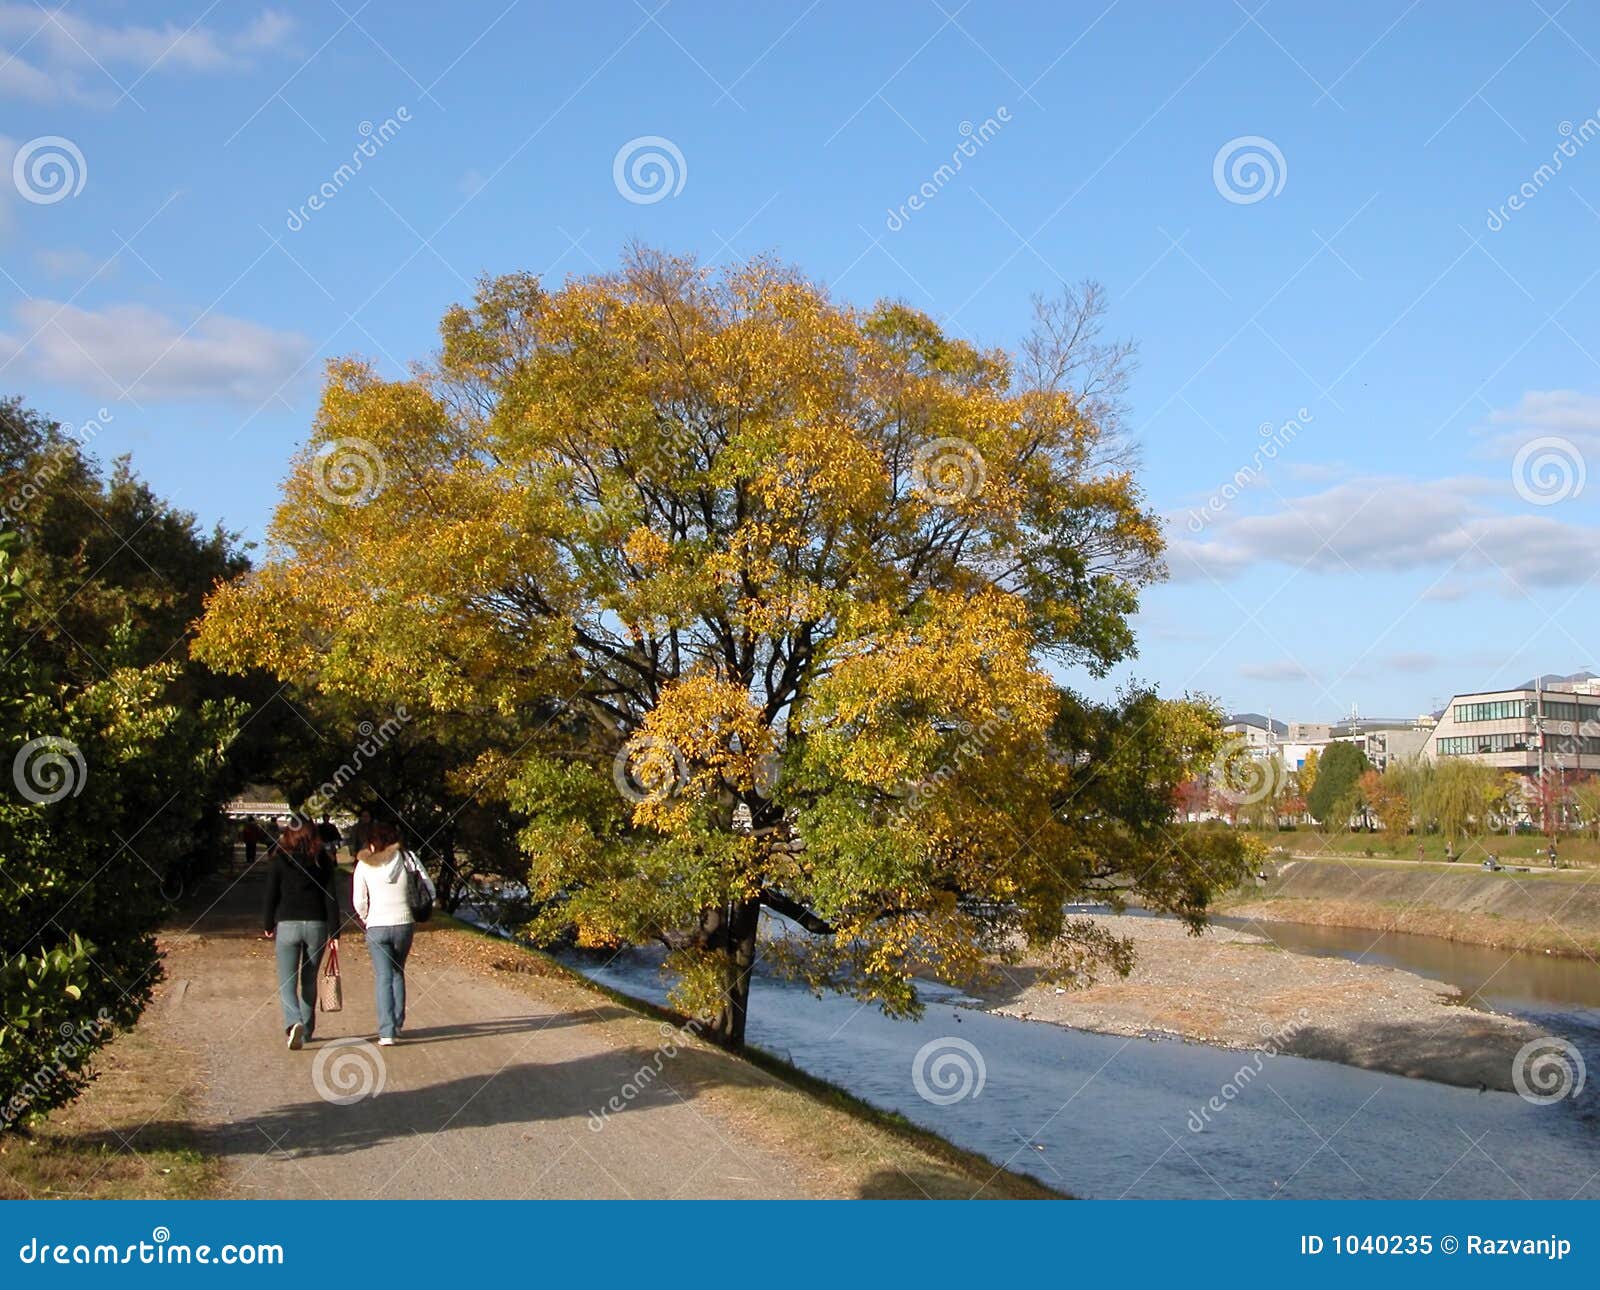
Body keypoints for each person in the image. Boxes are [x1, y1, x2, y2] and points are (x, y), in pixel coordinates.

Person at [353, 822, 435, 1046]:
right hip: (404, 923)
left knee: (383, 977)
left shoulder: (364, 865)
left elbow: (358, 900)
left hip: (377, 925)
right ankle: (397, 1024)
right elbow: (430, 889)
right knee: (397, 972)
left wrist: (366, 918)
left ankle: (386, 1031)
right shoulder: (408, 858)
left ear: (372, 843)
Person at [262, 815, 339, 1050]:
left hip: (288, 924)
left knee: (287, 981)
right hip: (316, 924)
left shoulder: (280, 861)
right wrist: (335, 933)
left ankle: (293, 1021)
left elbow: (271, 895)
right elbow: (331, 898)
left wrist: (268, 924)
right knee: (309, 981)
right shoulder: (323, 861)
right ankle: (306, 1030)